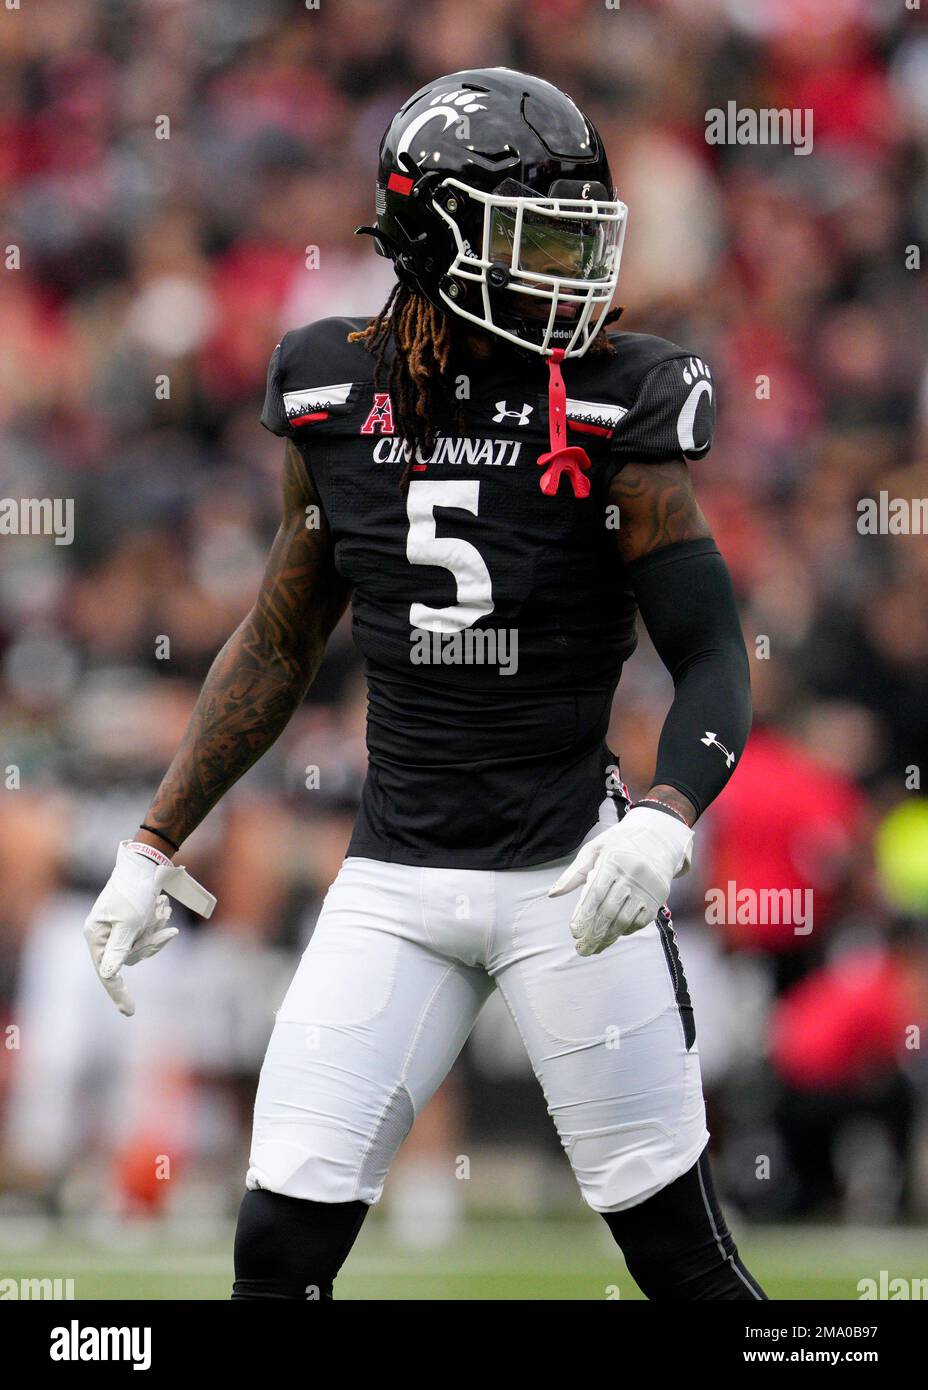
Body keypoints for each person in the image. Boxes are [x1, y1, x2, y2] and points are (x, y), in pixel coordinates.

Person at [84, 68, 762, 1300]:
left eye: (580, 235)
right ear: (430, 235)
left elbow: (712, 648)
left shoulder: (613, 395)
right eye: (537, 236)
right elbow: (280, 639)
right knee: (277, 1252)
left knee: (682, 1266)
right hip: (392, 880)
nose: (574, 270)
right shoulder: (332, 388)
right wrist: (153, 838)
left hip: (572, 878)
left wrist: (666, 817)